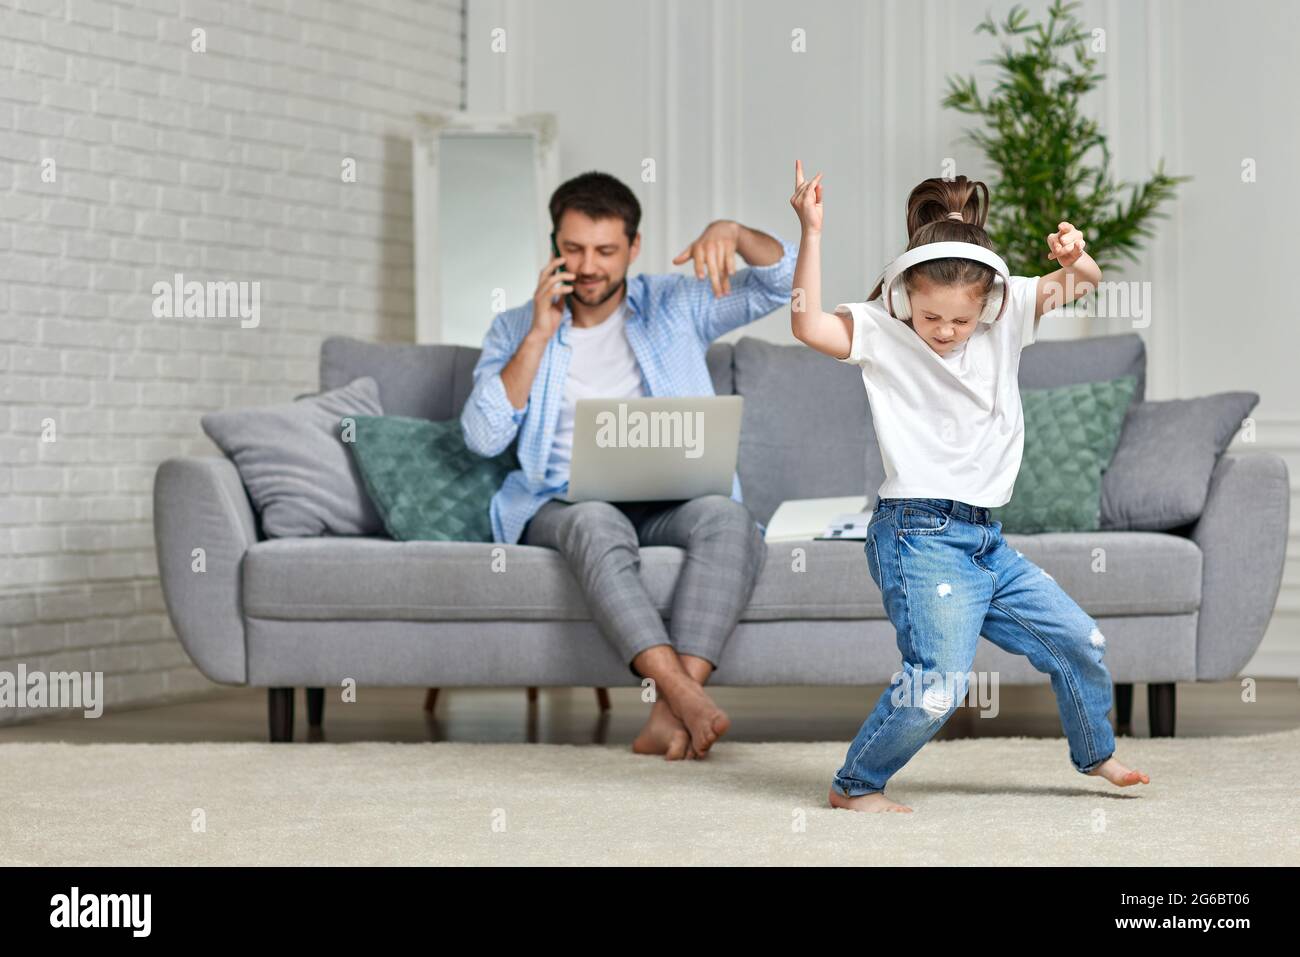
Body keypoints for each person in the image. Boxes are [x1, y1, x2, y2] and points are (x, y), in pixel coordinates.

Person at [787, 162, 1150, 812]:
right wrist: (810, 232)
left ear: (987, 304)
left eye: (960, 319)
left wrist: (1078, 258)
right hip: (917, 534)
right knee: (936, 686)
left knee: (1080, 639)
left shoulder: (1008, 318)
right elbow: (807, 323)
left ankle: (1095, 752)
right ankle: (856, 784)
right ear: (906, 298)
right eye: (931, 316)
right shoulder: (880, 328)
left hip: (985, 537)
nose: (946, 331)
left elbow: (1083, 282)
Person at [462, 171, 798, 760]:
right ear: (553, 247)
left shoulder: (673, 304)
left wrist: (735, 232)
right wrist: (540, 336)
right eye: (573, 249)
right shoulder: (515, 327)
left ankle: (670, 713)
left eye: (605, 251)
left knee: (729, 518)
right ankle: (684, 697)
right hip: (563, 498)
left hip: (672, 496)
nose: (588, 265)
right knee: (595, 522)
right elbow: (483, 436)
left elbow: (786, 283)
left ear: (633, 249)